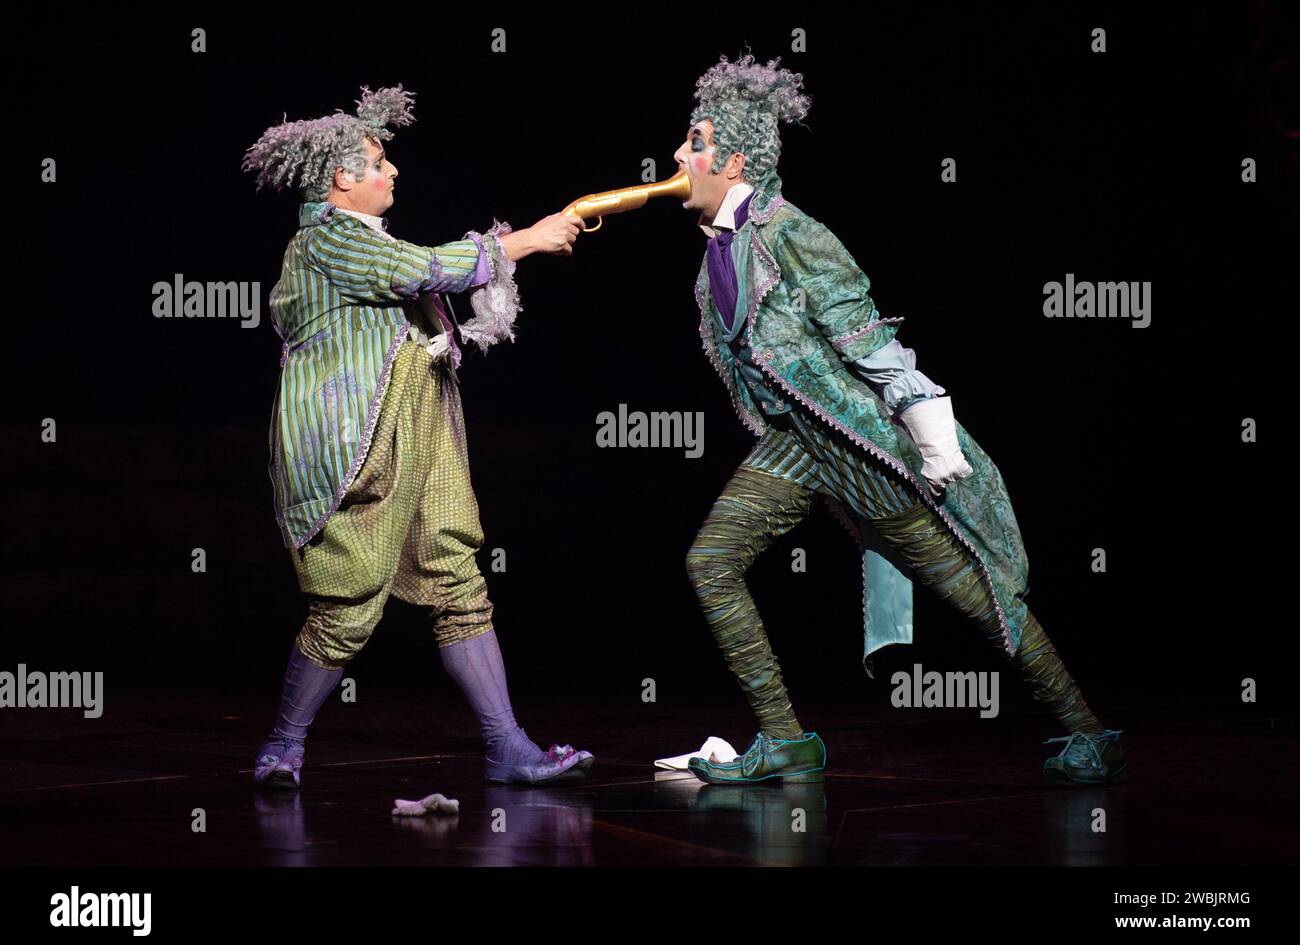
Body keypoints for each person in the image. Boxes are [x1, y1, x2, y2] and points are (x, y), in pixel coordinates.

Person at [674, 55, 1125, 786]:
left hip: (858, 445)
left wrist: (927, 422)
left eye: (693, 142)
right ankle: (786, 738)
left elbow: (864, 334)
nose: (678, 156)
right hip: (794, 445)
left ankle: (1088, 730)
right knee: (710, 563)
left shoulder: (791, 230)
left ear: (731, 160)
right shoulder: (716, 258)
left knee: (973, 592)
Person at [241, 84, 592, 789]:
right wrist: (525, 240)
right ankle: (282, 746)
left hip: (419, 429)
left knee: (457, 577)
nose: (392, 171)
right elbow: (424, 270)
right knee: (347, 599)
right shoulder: (325, 242)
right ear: (340, 178)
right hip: (353, 443)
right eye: (376, 162)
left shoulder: (363, 236)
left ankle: (508, 746)